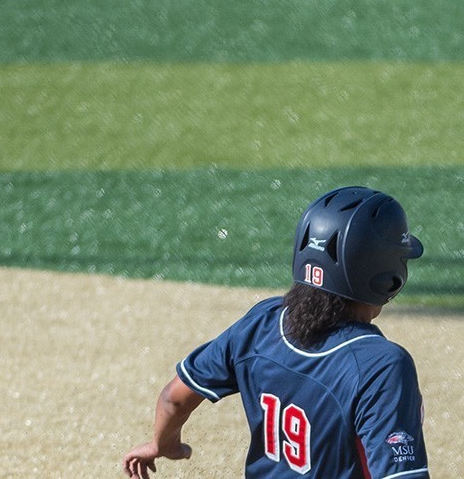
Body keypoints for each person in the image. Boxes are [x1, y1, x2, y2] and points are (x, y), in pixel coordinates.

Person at [122, 186, 430, 479]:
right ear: (386, 273)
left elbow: (174, 398)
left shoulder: (265, 322)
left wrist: (163, 445)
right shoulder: (380, 365)